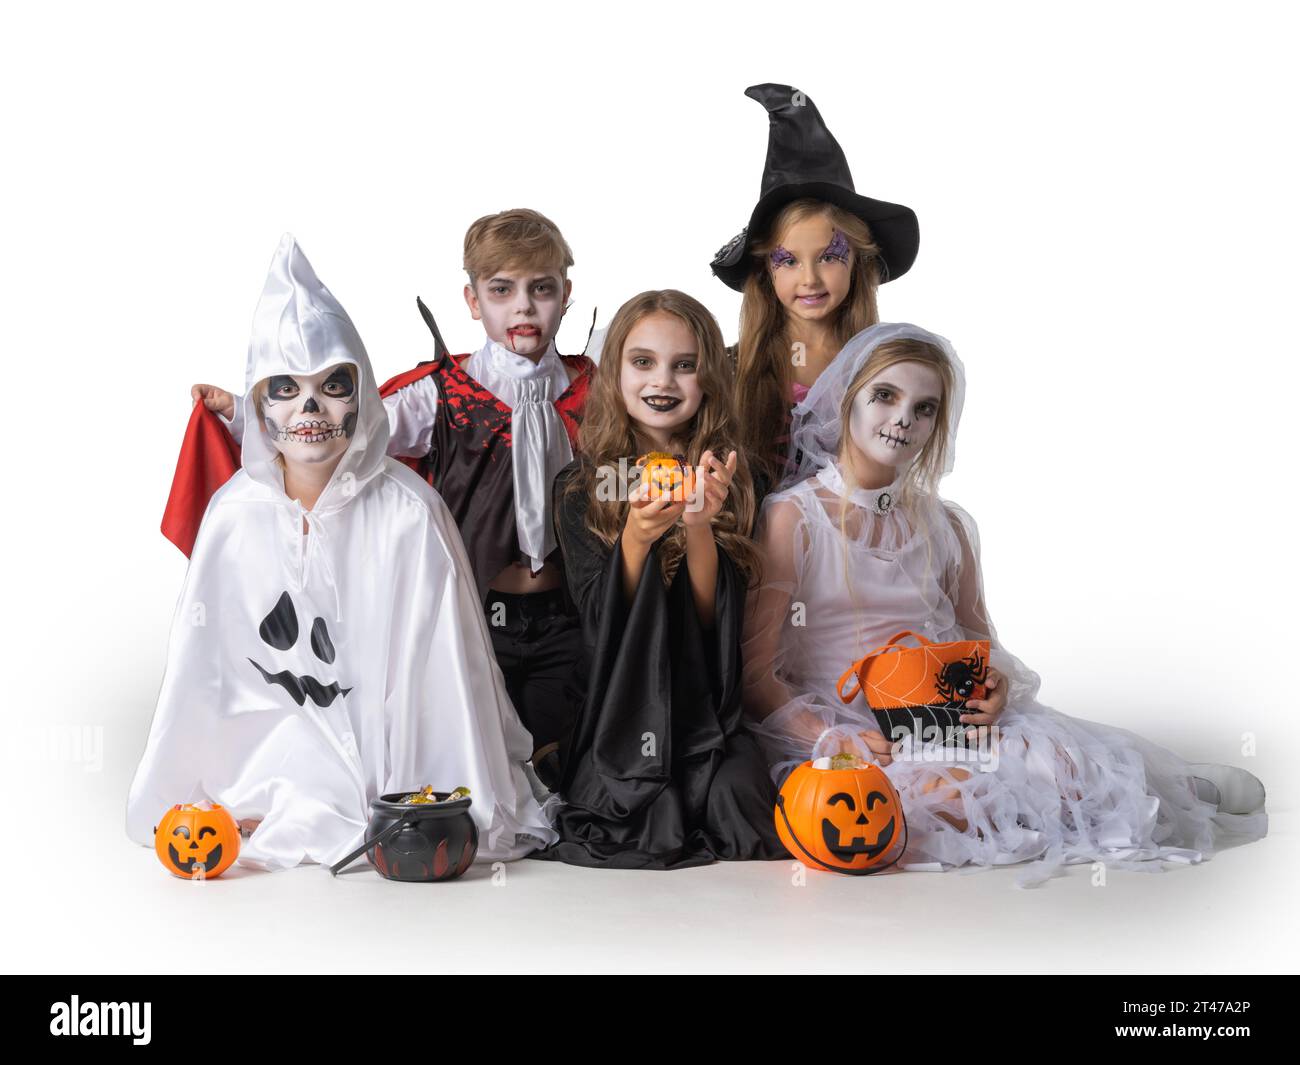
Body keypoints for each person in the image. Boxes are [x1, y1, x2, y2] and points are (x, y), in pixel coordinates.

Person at [740, 322, 1267, 886]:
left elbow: (977, 640)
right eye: (885, 396)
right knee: (907, 801)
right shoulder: (796, 518)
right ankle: (1122, 788)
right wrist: (830, 738)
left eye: (925, 409)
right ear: (849, 401)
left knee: (1056, 762)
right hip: (849, 724)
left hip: (941, 718)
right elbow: (758, 672)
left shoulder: (945, 525)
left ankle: (1172, 784)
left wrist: (995, 689)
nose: (902, 420)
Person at [127, 234, 556, 871]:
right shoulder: (235, 516)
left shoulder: (410, 514)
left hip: (390, 742)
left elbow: (439, 678)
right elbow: (214, 672)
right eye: (284, 389)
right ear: (257, 400)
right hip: (280, 743)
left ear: (361, 392)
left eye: (332, 385)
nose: (310, 409)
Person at [179, 210, 593, 788]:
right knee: (469, 751)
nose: (523, 307)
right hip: (475, 618)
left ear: (565, 295)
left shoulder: (594, 392)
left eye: (541, 289)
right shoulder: (442, 393)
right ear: (474, 302)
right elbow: (342, 432)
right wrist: (243, 414)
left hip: (568, 617)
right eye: (502, 290)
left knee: (563, 767)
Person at [537, 290, 786, 868]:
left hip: (708, 708)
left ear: (709, 379)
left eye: (685, 365)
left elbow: (714, 622)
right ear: (615, 372)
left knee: (734, 800)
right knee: (646, 807)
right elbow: (600, 626)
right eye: (643, 362)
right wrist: (637, 538)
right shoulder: (581, 487)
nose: (663, 381)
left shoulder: (739, 479)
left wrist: (699, 526)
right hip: (620, 706)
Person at [710, 83, 920, 494]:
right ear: (766, 269)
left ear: (857, 259)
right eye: (788, 260)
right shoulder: (730, 371)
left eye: (828, 256)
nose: (809, 278)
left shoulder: (882, 367)